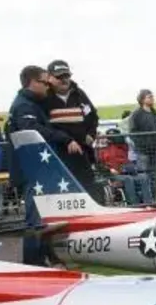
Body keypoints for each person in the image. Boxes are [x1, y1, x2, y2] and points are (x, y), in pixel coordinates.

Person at [7, 65, 78, 267]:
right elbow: (33, 131)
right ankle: (32, 263)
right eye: (45, 82)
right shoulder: (23, 106)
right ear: (33, 82)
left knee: (47, 217)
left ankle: (47, 256)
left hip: (38, 171)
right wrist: (63, 138)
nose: (49, 86)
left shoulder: (33, 103)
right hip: (32, 172)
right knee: (36, 219)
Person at [43, 59, 102, 202]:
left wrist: (91, 134)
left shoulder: (79, 93)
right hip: (57, 152)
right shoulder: (44, 97)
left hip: (82, 151)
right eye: (59, 77)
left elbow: (93, 116)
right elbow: (43, 125)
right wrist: (65, 139)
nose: (64, 80)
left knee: (88, 186)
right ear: (49, 77)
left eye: (66, 76)